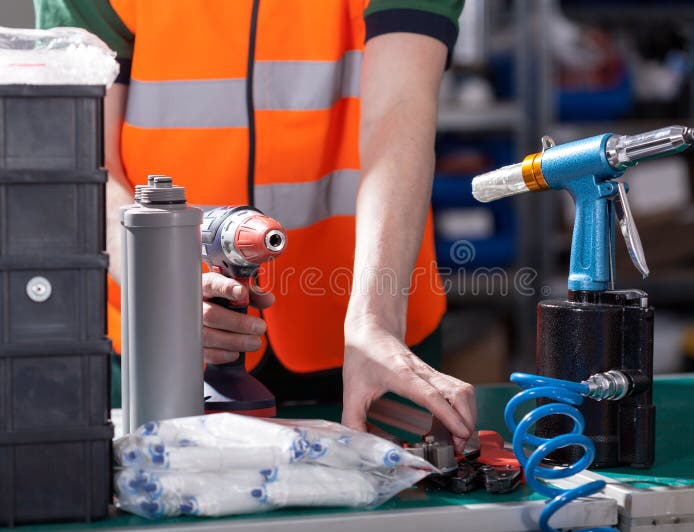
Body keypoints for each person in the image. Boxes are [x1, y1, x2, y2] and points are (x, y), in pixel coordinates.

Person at [36, 0, 476, 451]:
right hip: (157, 337)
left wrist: (376, 321)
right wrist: (158, 287)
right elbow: (84, 153)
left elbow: (399, 110)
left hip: (370, 336)